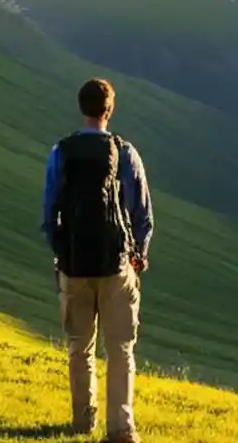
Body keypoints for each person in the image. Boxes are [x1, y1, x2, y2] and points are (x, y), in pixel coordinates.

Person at [42, 79, 153, 443]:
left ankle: (81, 423)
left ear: (81, 107)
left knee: (79, 348)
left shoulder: (61, 152)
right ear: (110, 110)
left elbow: (49, 213)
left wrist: (63, 252)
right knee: (120, 349)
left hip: (74, 265)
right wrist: (138, 257)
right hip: (116, 265)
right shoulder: (125, 152)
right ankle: (120, 429)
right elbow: (143, 215)